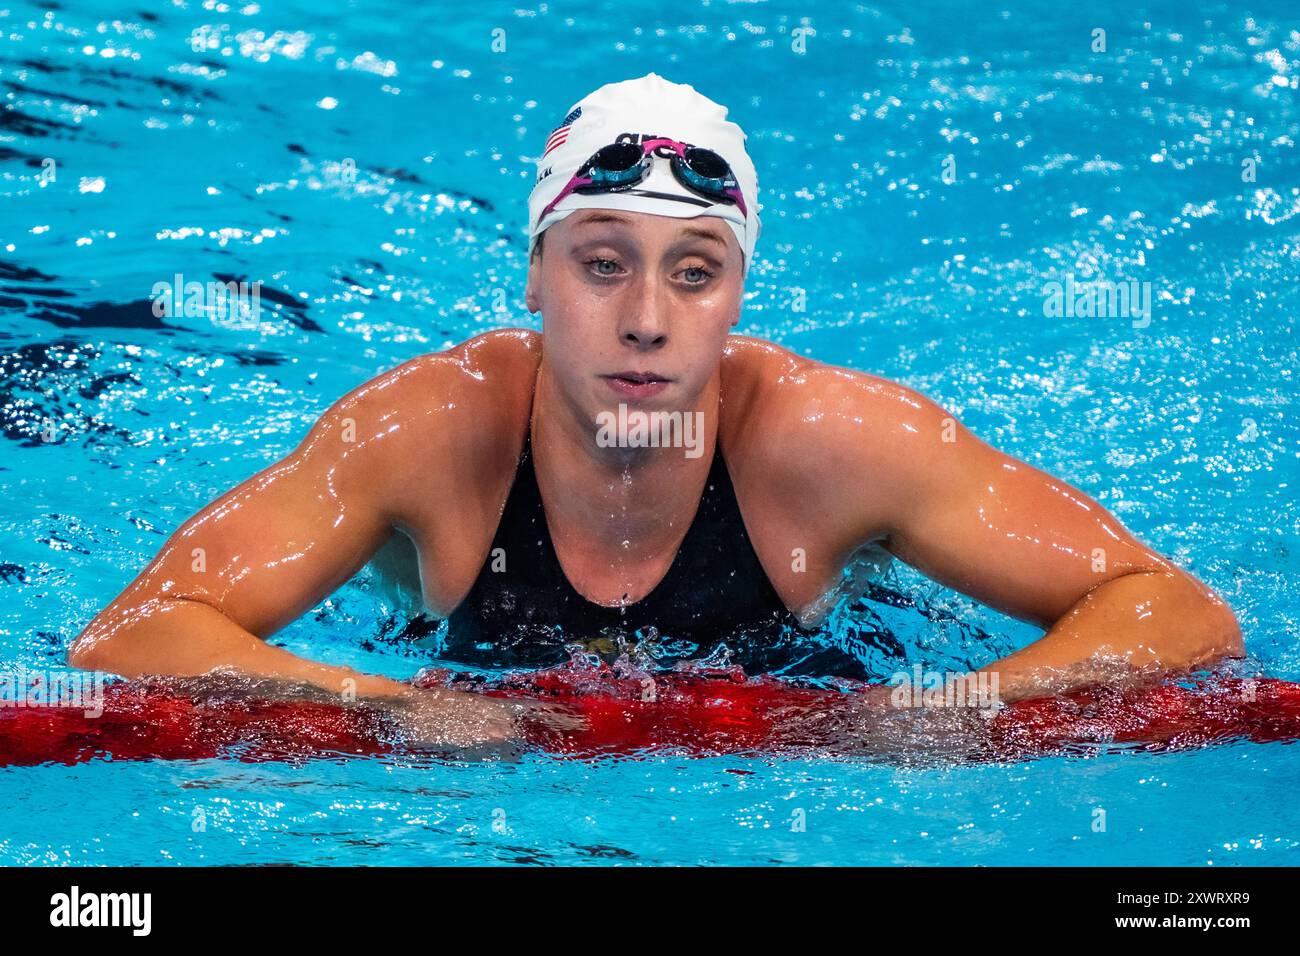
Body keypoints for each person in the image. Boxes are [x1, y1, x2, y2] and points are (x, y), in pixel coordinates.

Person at [68, 72, 1243, 745]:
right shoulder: (427, 429)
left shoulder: (835, 441)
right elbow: (131, 636)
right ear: (533, 275)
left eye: (693, 271)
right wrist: (392, 706)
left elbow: (1176, 611)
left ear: (738, 293)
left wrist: (945, 705)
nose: (646, 318)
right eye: (600, 262)